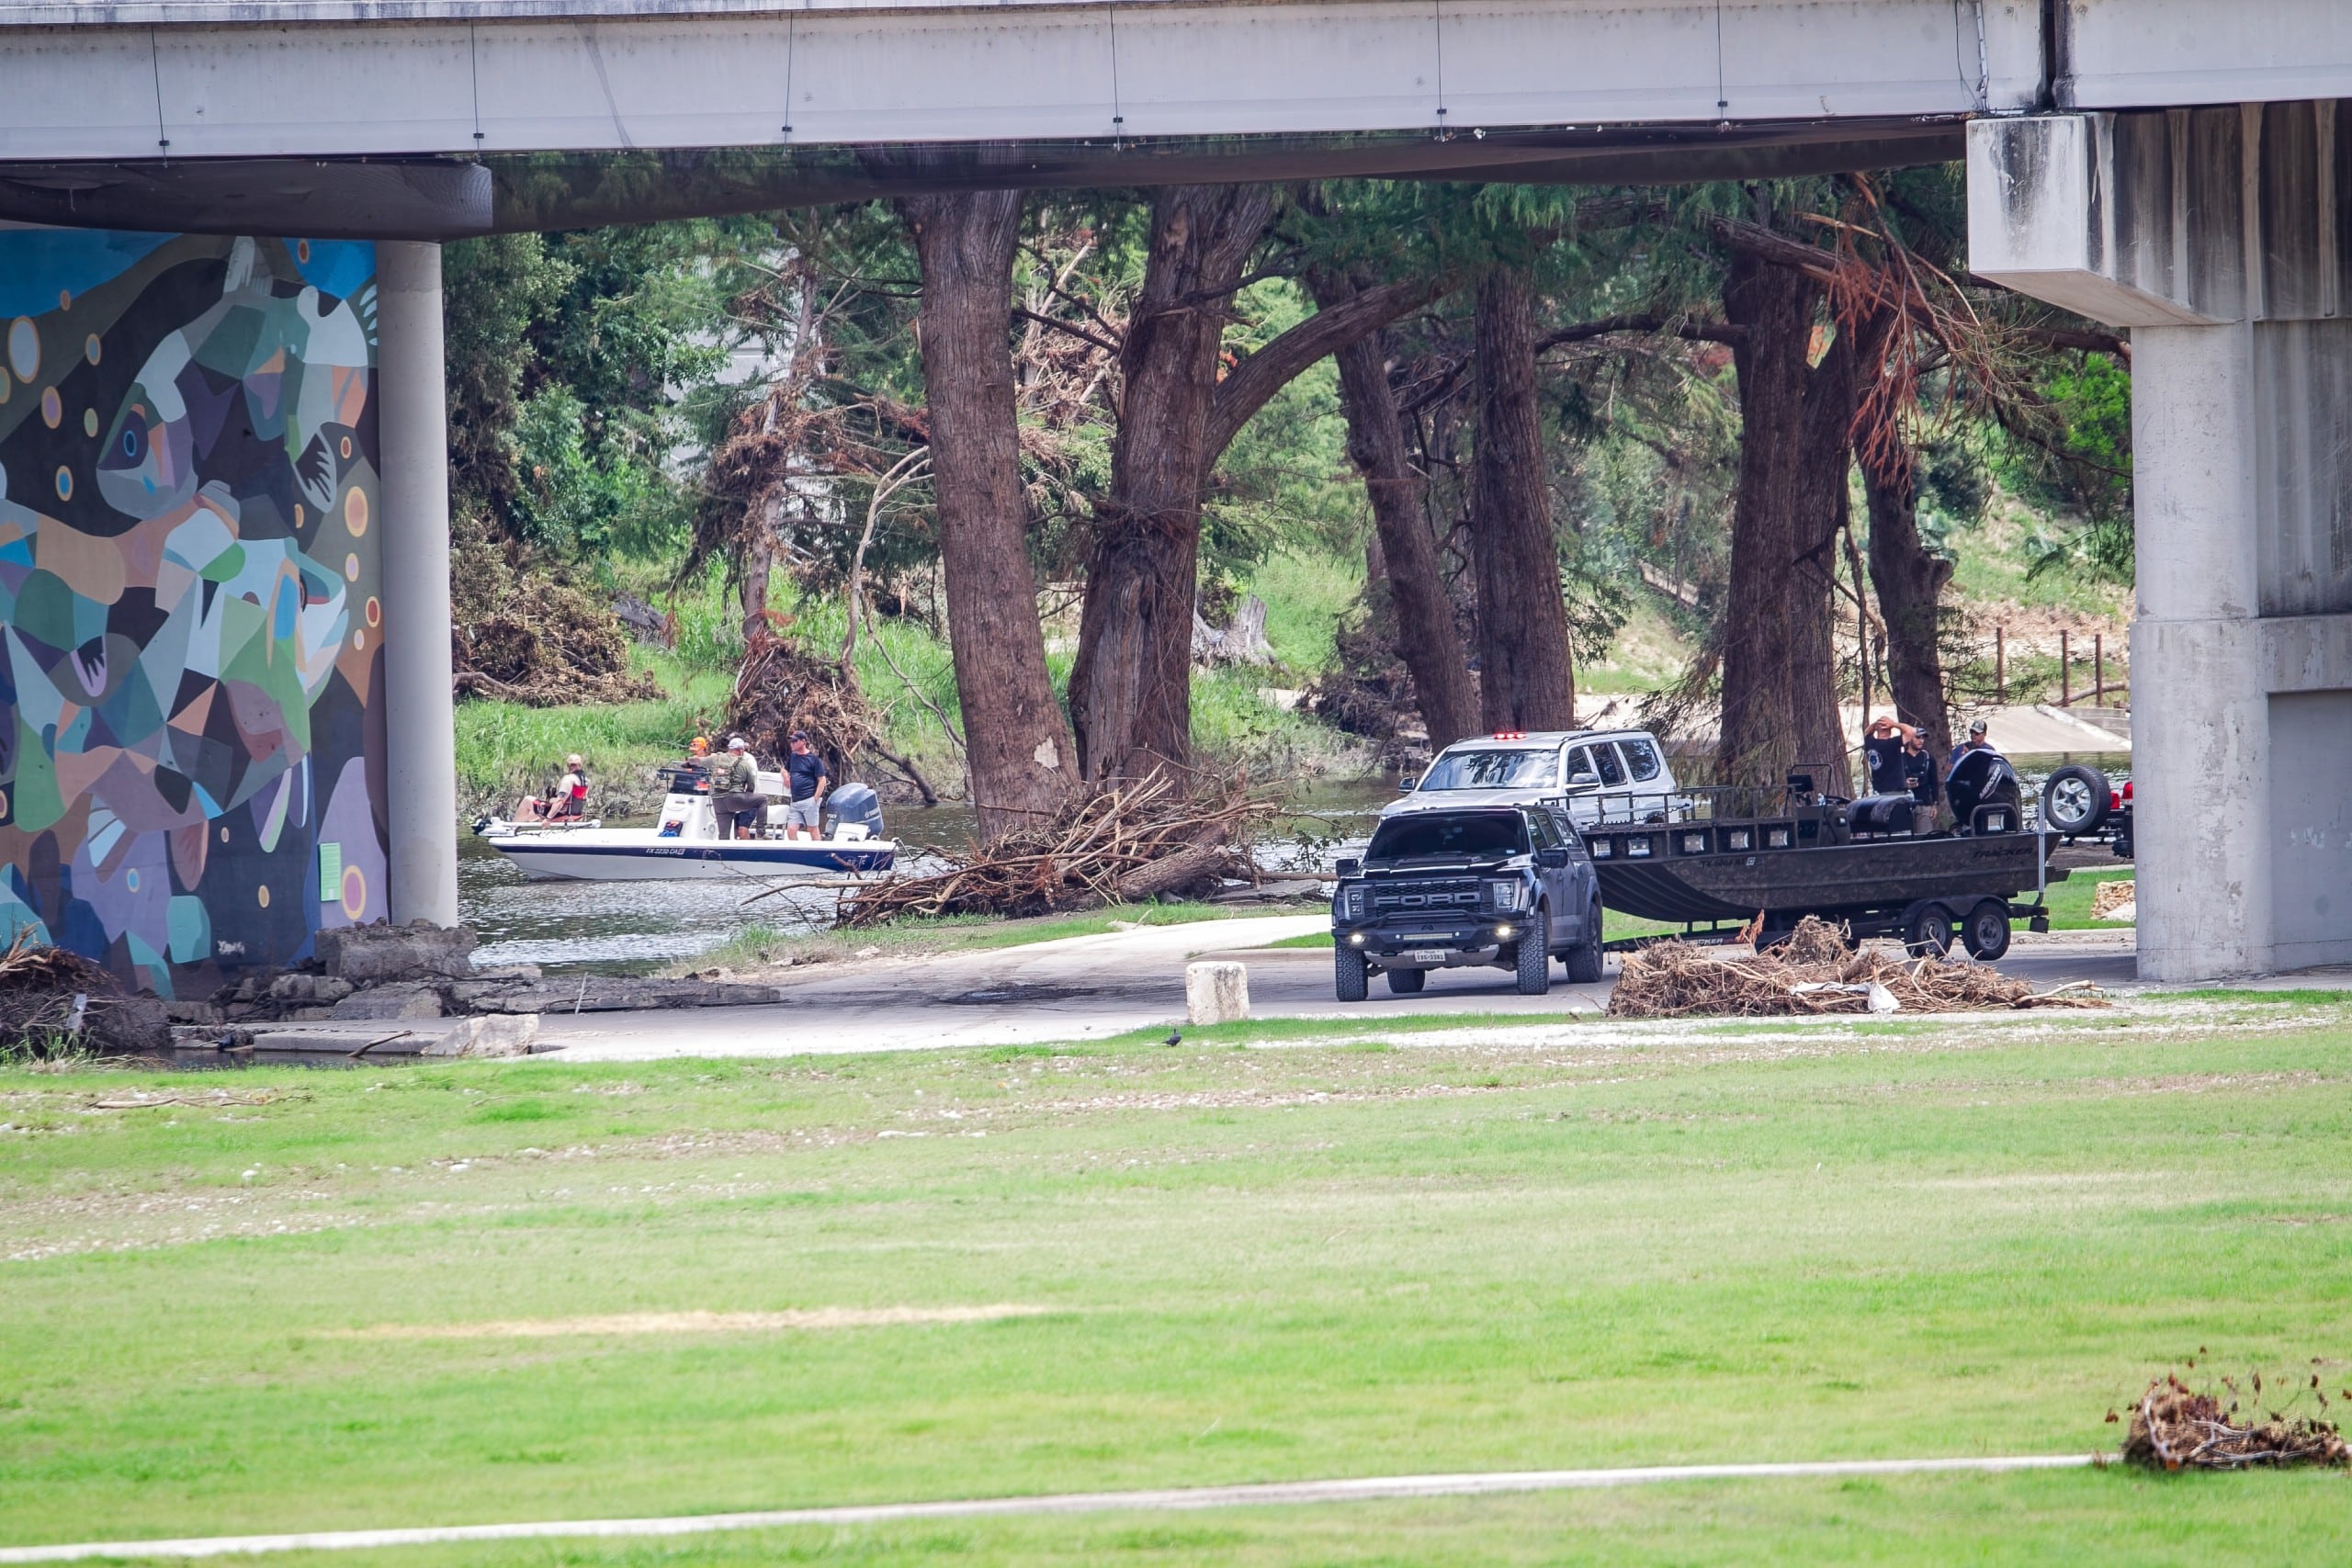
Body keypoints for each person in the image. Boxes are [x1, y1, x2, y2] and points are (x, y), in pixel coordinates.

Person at [709, 735, 766, 840]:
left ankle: (755, 844)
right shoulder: (723, 759)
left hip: (747, 797)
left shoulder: (748, 760)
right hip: (731, 798)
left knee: (742, 829)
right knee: (732, 832)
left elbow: (751, 781)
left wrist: (748, 794)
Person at [783, 731, 831, 840]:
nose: (792, 744)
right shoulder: (793, 757)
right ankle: (796, 854)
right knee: (791, 829)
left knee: (812, 829)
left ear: (803, 741)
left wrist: (815, 798)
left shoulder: (813, 759)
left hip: (809, 799)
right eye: (791, 741)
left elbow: (822, 779)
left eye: (795, 741)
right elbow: (784, 769)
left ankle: (818, 853)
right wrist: (786, 776)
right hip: (795, 801)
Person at [1861, 715, 1914, 795]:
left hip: (1879, 793)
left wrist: (1877, 723)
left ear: (1877, 730)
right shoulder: (1893, 743)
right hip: (1896, 792)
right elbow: (1912, 732)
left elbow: (1867, 731)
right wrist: (1894, 724)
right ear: (1891, 730)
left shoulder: (1870, 744)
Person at [548, 754, 589, 821]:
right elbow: (584, 798)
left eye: (572, 765)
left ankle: (526, 827)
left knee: (528, 800)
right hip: (576, 813)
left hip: (563, 813)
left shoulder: (568, 779)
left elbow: (560, 801)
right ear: (580, 765)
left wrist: (548, 818)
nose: (572, 767)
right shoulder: (586, 781)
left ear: (567, 765)